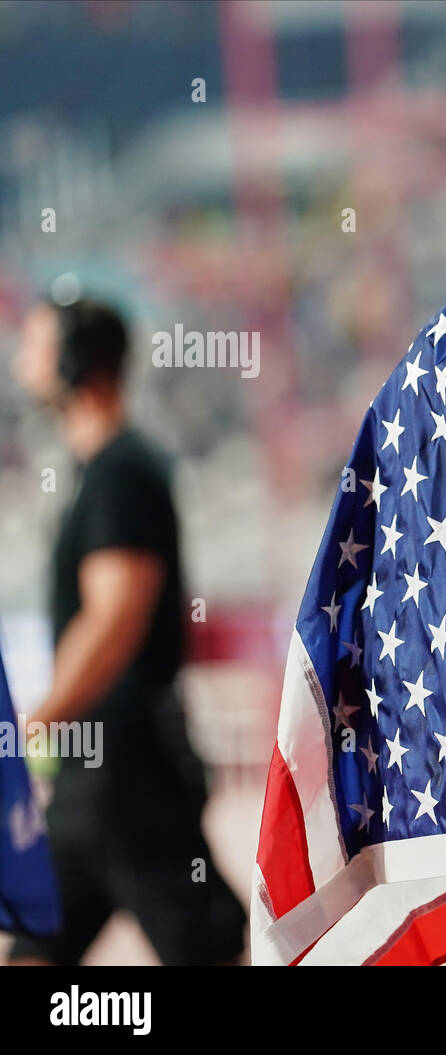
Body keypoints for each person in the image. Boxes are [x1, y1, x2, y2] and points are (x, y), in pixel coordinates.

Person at [7, 294, 247, 965]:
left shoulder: (121, 473)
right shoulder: (99, 472)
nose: (23, 358)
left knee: (206, 950)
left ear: (76, 360)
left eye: (36, 342)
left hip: (130, 771)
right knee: (32, 948)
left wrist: (38, 719)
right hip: (93, 780)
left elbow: (115, 618)